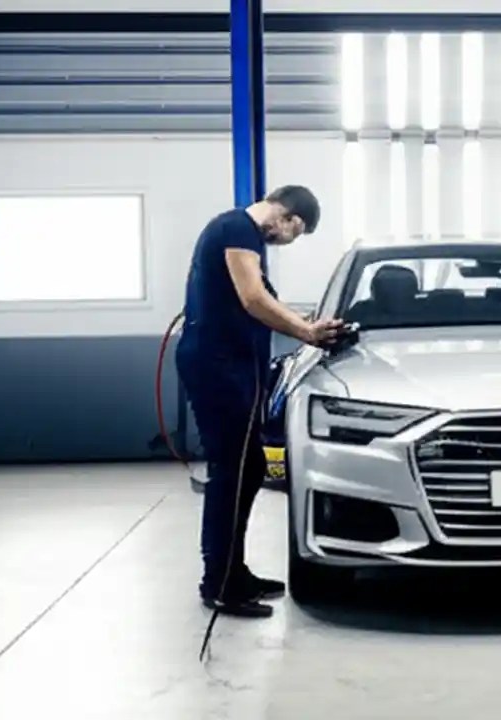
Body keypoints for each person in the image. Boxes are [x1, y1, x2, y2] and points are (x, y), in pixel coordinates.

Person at [176, 185, 344, 618]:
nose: (287, 240)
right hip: (217, 368)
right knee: (232, 472)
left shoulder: (242, 235)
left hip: (229, 367)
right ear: (289, 218)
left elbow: (260, 300)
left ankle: (235, 573)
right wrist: (306, 332)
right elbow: (253, 299)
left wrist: (301, 322)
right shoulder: (236, 228)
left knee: (248, 467)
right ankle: (220, 584)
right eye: (295, 233)